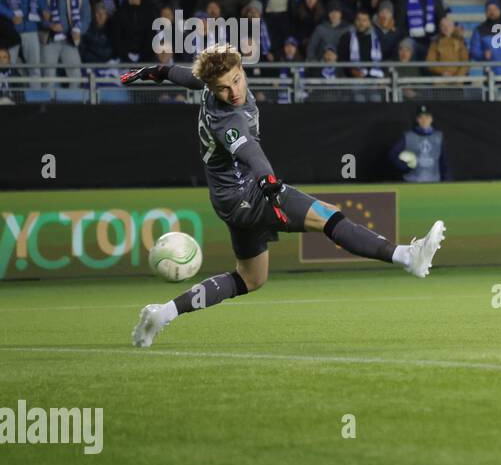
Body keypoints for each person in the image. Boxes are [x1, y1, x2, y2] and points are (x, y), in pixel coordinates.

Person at [121, 44, 447, 348]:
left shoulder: (206, 86)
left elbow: (180, 74)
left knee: (251, 278)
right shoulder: (229, 119)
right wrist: (270, 185)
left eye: (236, 80)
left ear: (241, 69)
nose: (233, 91)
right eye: (224, 88)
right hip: (249, 192)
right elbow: (250, 151)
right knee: (328, 215)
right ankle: (408, 256)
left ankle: (162, 313)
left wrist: (152, 71)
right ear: (214, 88)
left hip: (228, 200)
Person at [390, 104, 449, 183]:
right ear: (417, 119)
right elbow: (393, 154)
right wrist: (405, 166)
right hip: (412, 183)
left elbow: (444, 161)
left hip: (434, 183)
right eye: (421, 117)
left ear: (431, 119)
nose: (424, 120)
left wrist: (447, 180)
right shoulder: (408, 137)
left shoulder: (438, 137)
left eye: (427, 117)